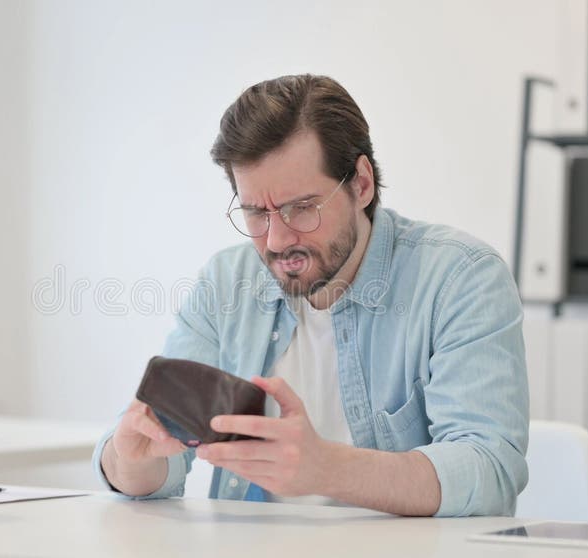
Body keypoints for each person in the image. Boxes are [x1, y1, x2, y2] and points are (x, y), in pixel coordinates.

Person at [93, 74, 528, 517]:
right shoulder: (226, 281)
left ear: (361, 184)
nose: (278, 239)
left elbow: (490, 469)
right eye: (256, 213)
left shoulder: (460, 277)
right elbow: (159, 461)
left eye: (301, 208)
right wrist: (128, 461)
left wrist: (326, 467)